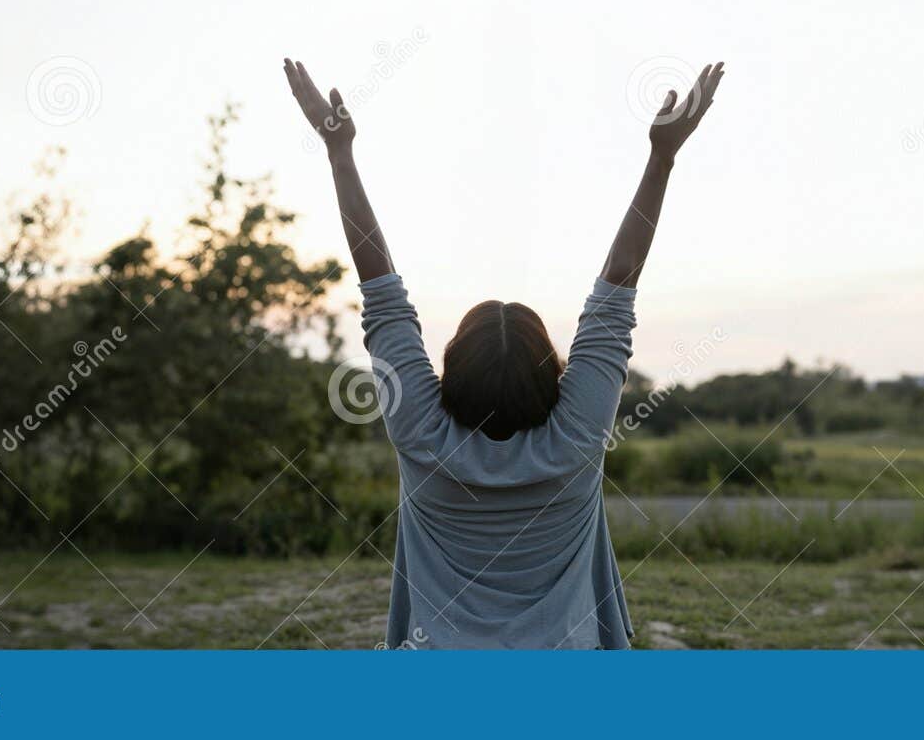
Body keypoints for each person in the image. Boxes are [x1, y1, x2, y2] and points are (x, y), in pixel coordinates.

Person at [282, 57, 725, 648]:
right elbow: (618, 284)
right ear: (554, 372)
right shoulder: (577, 436)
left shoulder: (419, 432)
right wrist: (662, 157)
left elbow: (379, 290)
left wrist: (339, 153)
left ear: (449, 369)